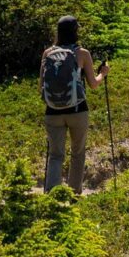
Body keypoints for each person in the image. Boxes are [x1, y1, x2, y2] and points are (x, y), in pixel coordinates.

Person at [40, 15, 108, 194]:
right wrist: (104, 74)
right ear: (76, 31)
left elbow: (41, 86)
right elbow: (93, 84)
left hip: (52, 111)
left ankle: (52, 195)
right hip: (77, 110)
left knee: (55, 155)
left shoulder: (47, 53)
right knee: (77, 153)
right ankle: (74, 193)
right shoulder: (82, 53)